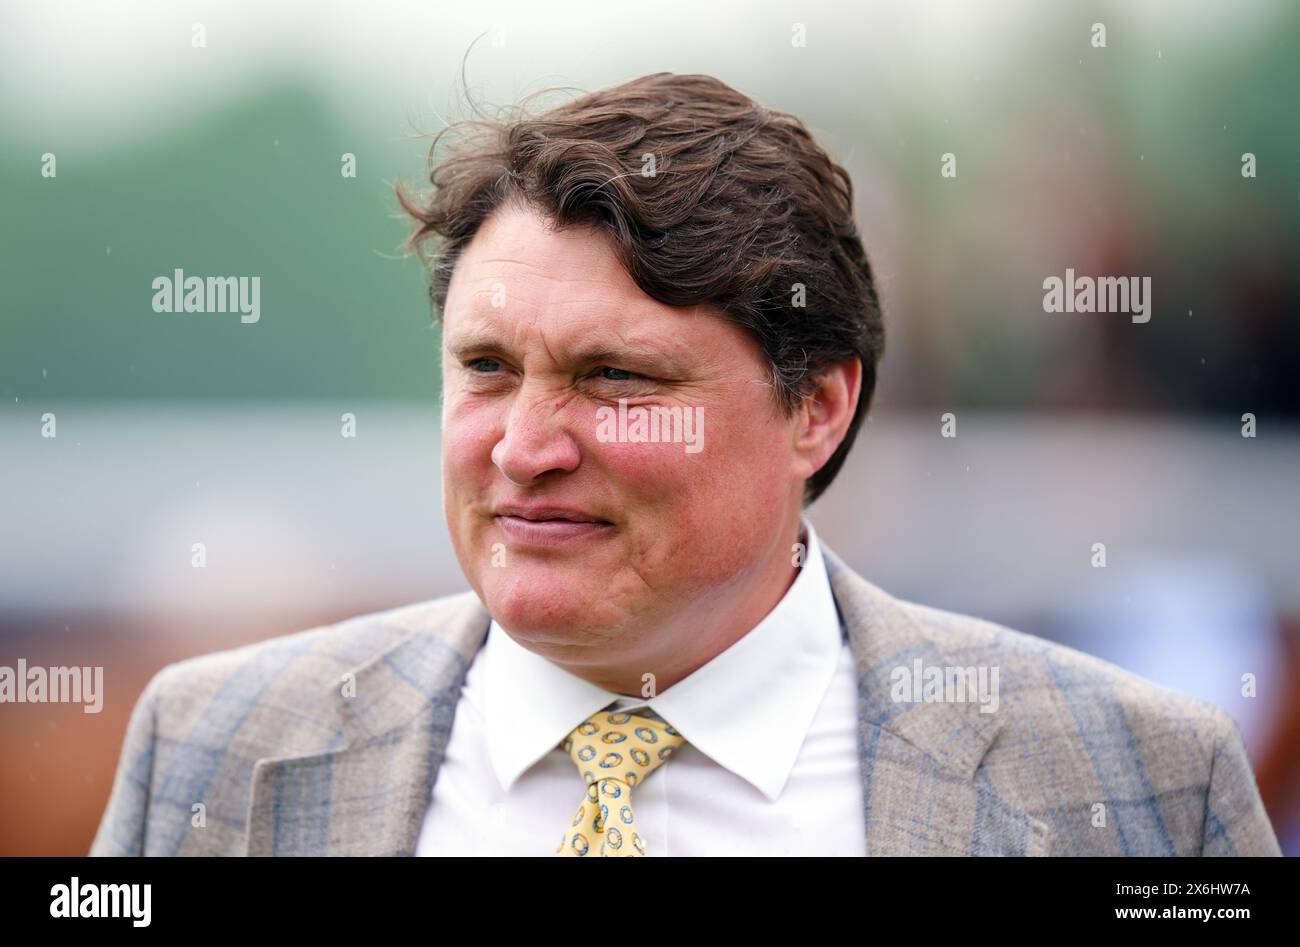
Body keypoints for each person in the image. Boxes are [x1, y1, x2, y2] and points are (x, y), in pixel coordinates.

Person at [90, 73, 1280, 857]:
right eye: (489, 367)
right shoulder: (213, 754)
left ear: (814, 407)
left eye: (617, 378)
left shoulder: (1137, 787)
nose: (523, 447)